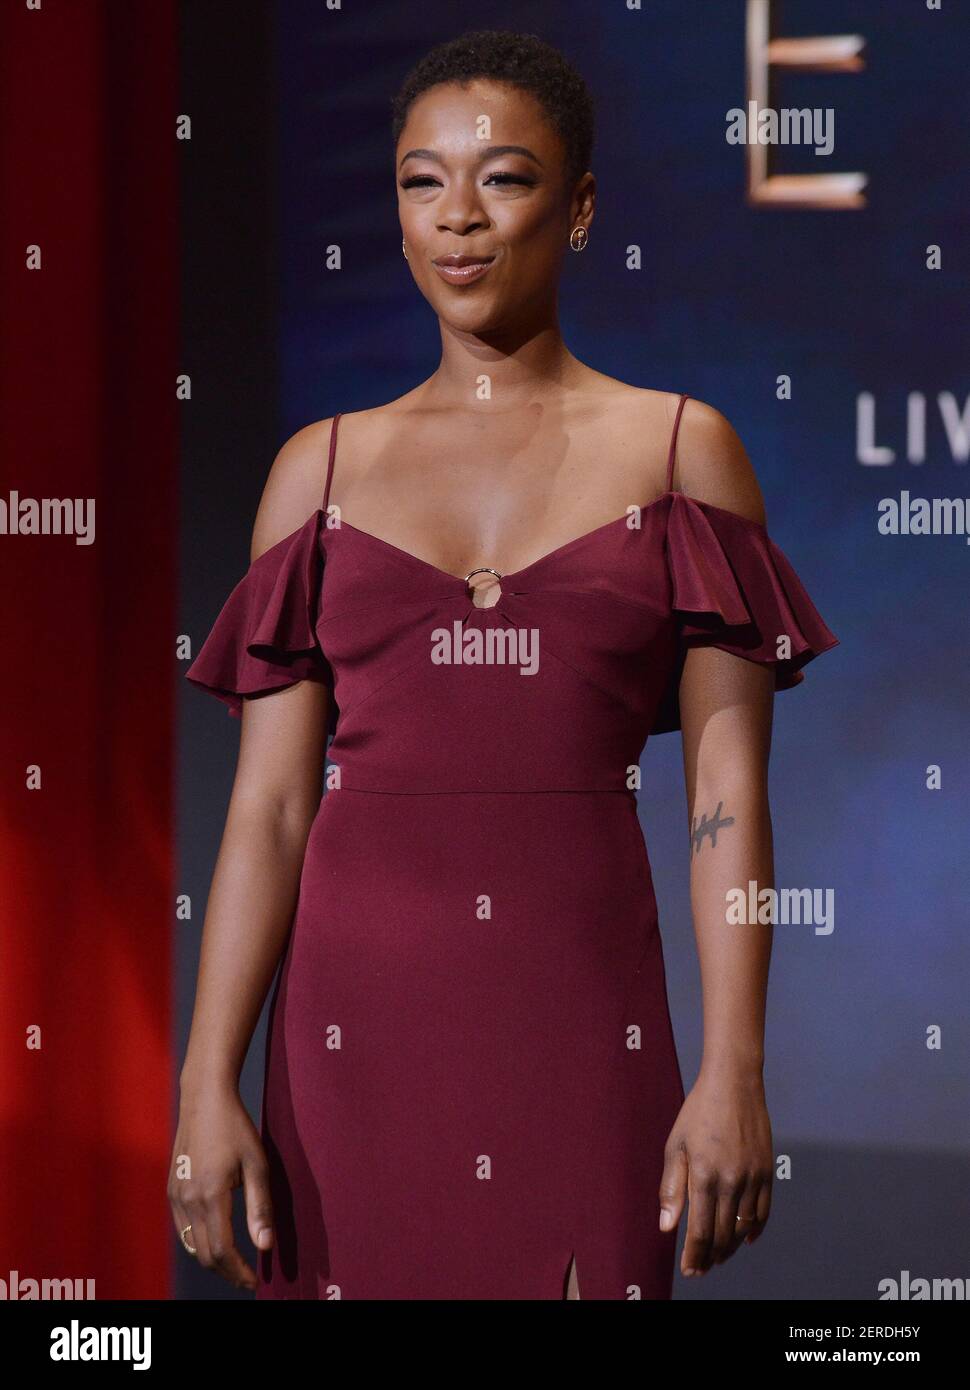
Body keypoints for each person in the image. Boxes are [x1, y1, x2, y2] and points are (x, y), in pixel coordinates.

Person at [170, 29, 838, 1301]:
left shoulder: (680, 450)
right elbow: (266, 810)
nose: (459, 219)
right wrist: (207, 1083)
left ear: (579, 208)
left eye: (506, 178)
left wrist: (734, 1069)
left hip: (581, 1026)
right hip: (350, 1038)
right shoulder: (315, 472)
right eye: (424, 182)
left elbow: (726, 801)